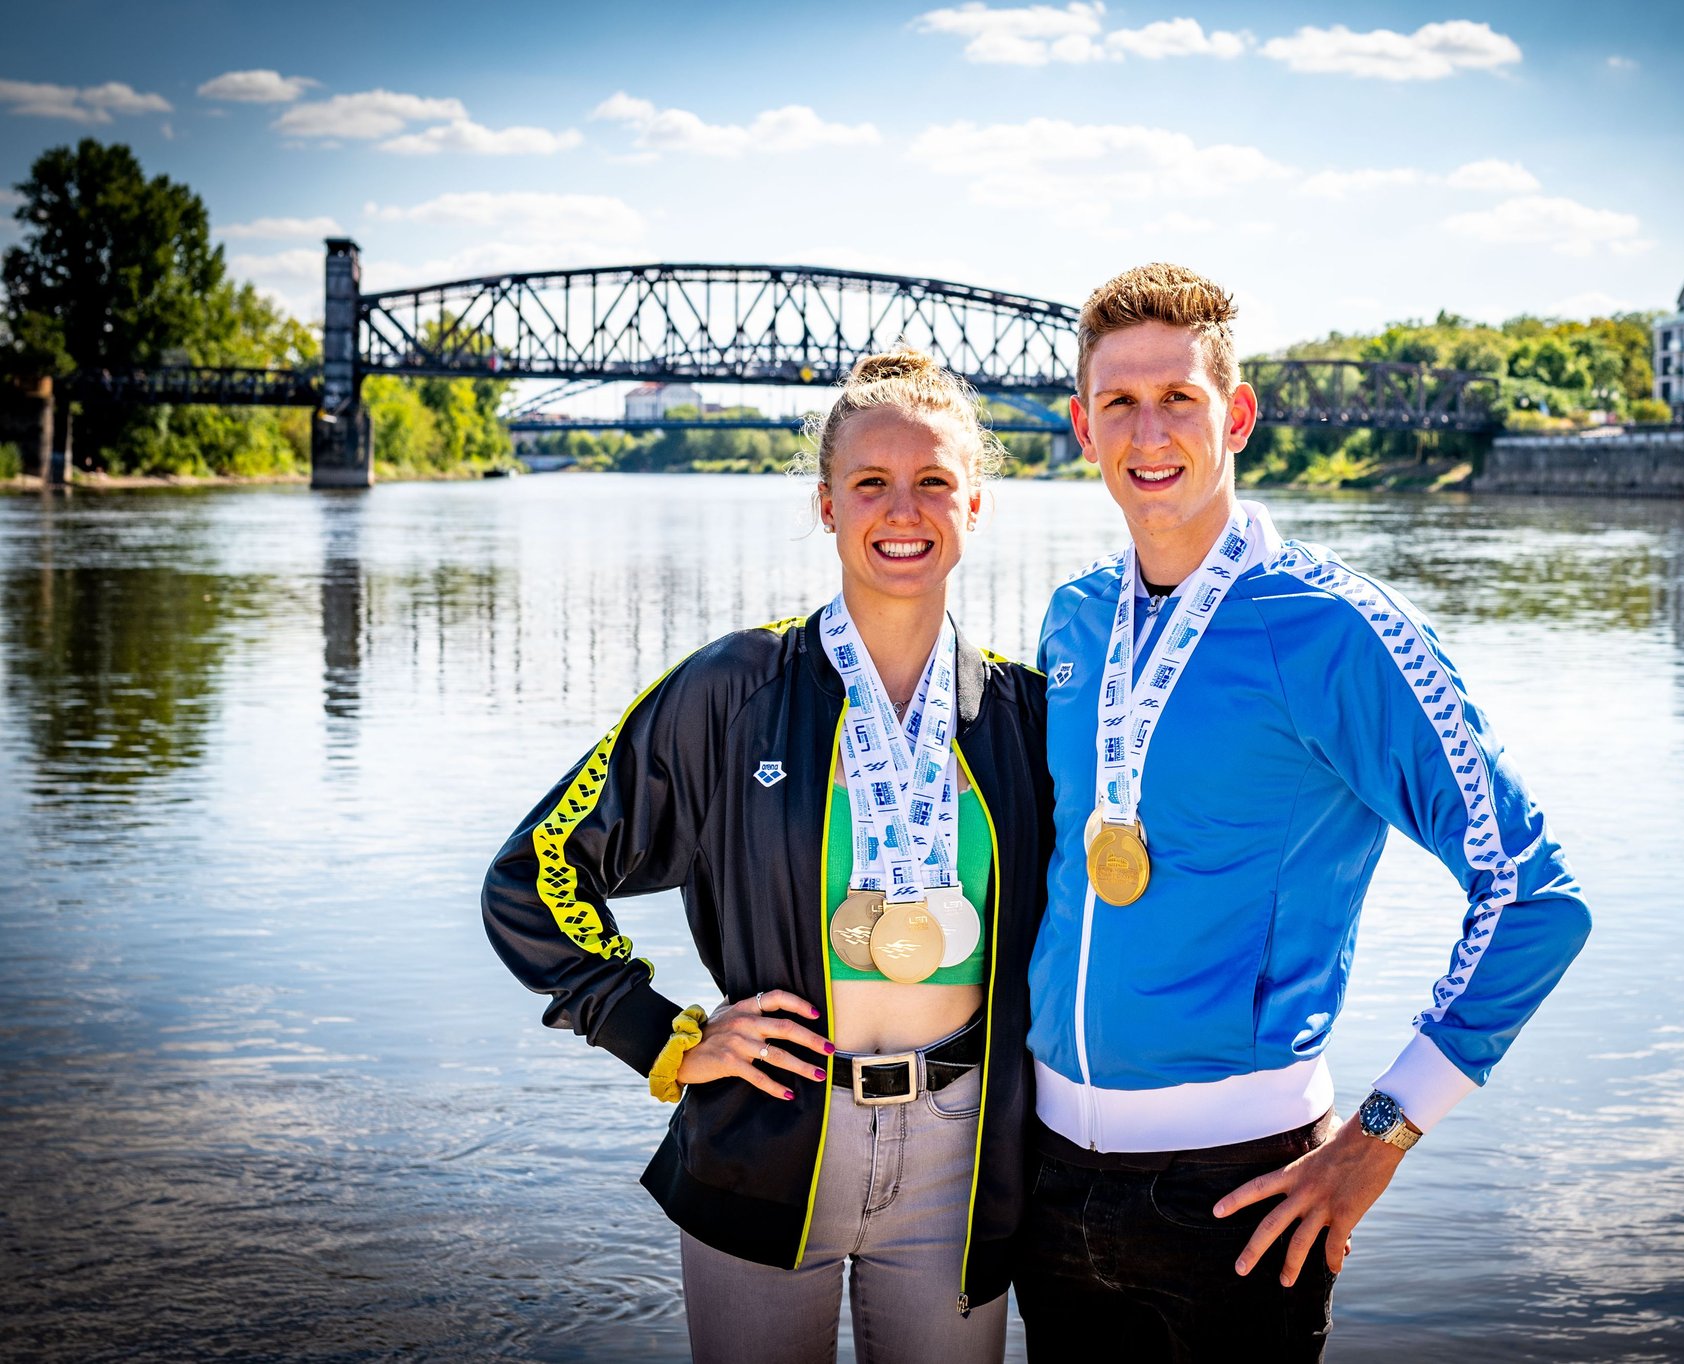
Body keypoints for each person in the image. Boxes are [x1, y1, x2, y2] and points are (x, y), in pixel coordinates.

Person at [1015, 264, 1593, 1361]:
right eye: (1118, 402)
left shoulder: (1335, 629)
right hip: (1049, 1184)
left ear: (1235, 415)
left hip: (1241, 1195)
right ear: (1082, 428)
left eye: (1177, 398)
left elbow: (1535, 895)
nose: (1148, 432)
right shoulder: (1075, 618)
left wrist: (1378, 1136)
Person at [481, 349, 1051, 1363]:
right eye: (869, 482)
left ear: (975, 503)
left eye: (932, 481)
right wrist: (658, 1034)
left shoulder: (1025, 714)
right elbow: (535, 871)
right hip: (770, 1129)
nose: (903, 510)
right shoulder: (731, 689)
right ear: (826, 505)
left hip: (963, 1159)